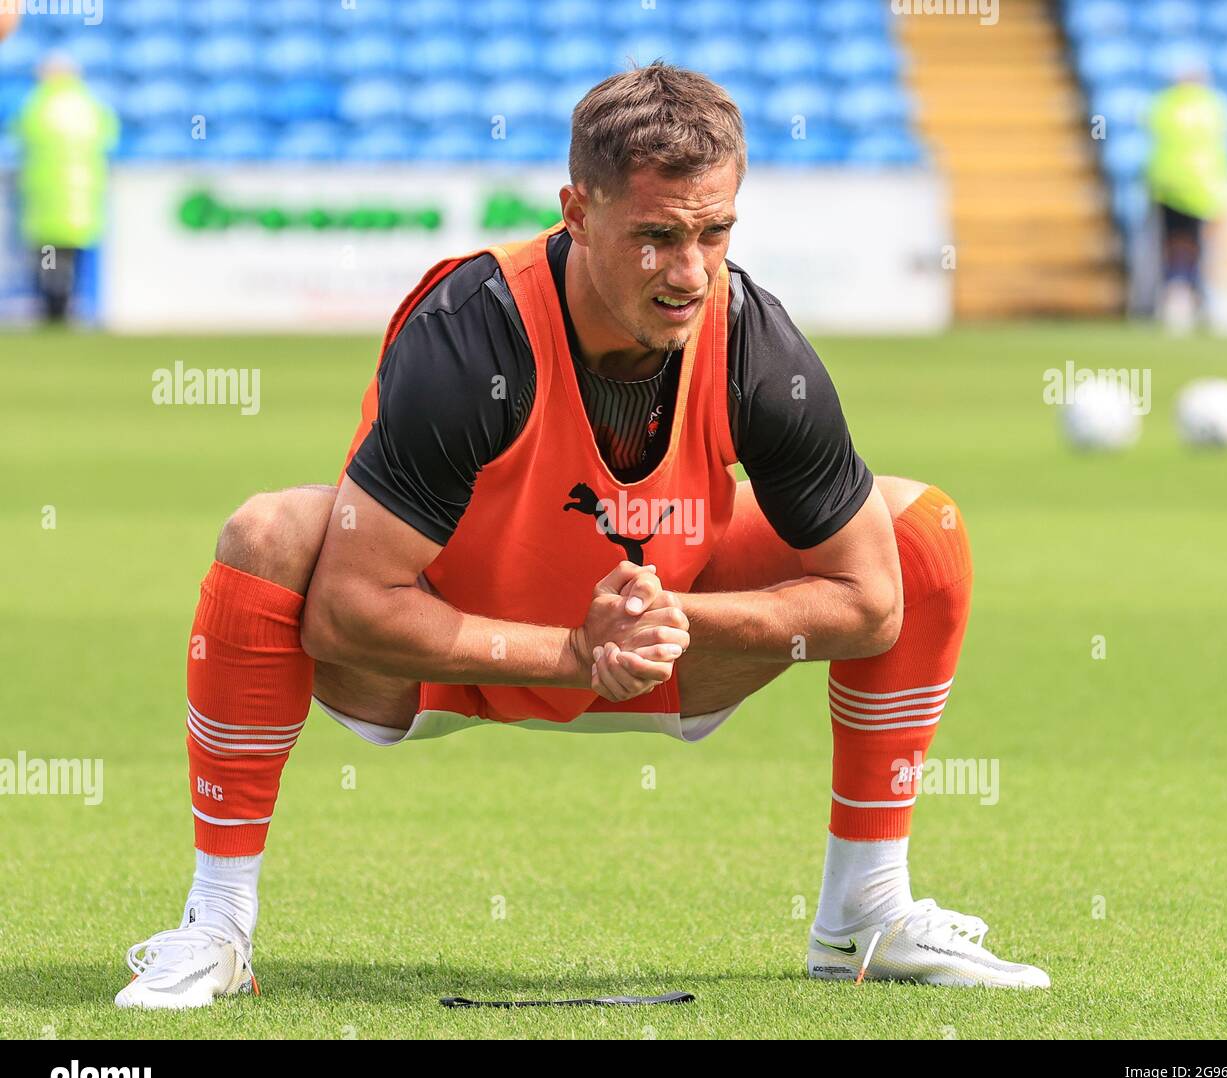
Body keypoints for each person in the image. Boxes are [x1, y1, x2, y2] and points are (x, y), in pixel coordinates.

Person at [115, 64, 1049, 1009]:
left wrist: (665, 618)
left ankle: (867, 913)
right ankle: (217, 927)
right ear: (577, 210)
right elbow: (352, 610)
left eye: (714, 233)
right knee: (268, 531)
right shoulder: (472, 335)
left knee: (917, 529)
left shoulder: (756, 345)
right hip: (447, 654)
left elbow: (872, 604)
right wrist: (572, 648)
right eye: (655, 236)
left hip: (658, 653)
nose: (688, 272)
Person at [11, 53, 118, 323]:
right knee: (74, 255)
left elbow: (17, 134)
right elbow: (111, 137)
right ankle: (74, 305)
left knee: (47, 257)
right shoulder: (90, 105)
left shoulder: (36, 105)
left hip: (44, 194)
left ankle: (52, 308)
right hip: (82, 195)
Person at [1145, 63, 1227, 334]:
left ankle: (1175, 301)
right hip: (1202, 189)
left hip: (1169, 186)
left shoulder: (1164, 104)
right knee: (1199, 248)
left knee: (1172, 246)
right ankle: (1198, 301)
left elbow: (1151, 131)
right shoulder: (1215, 105)